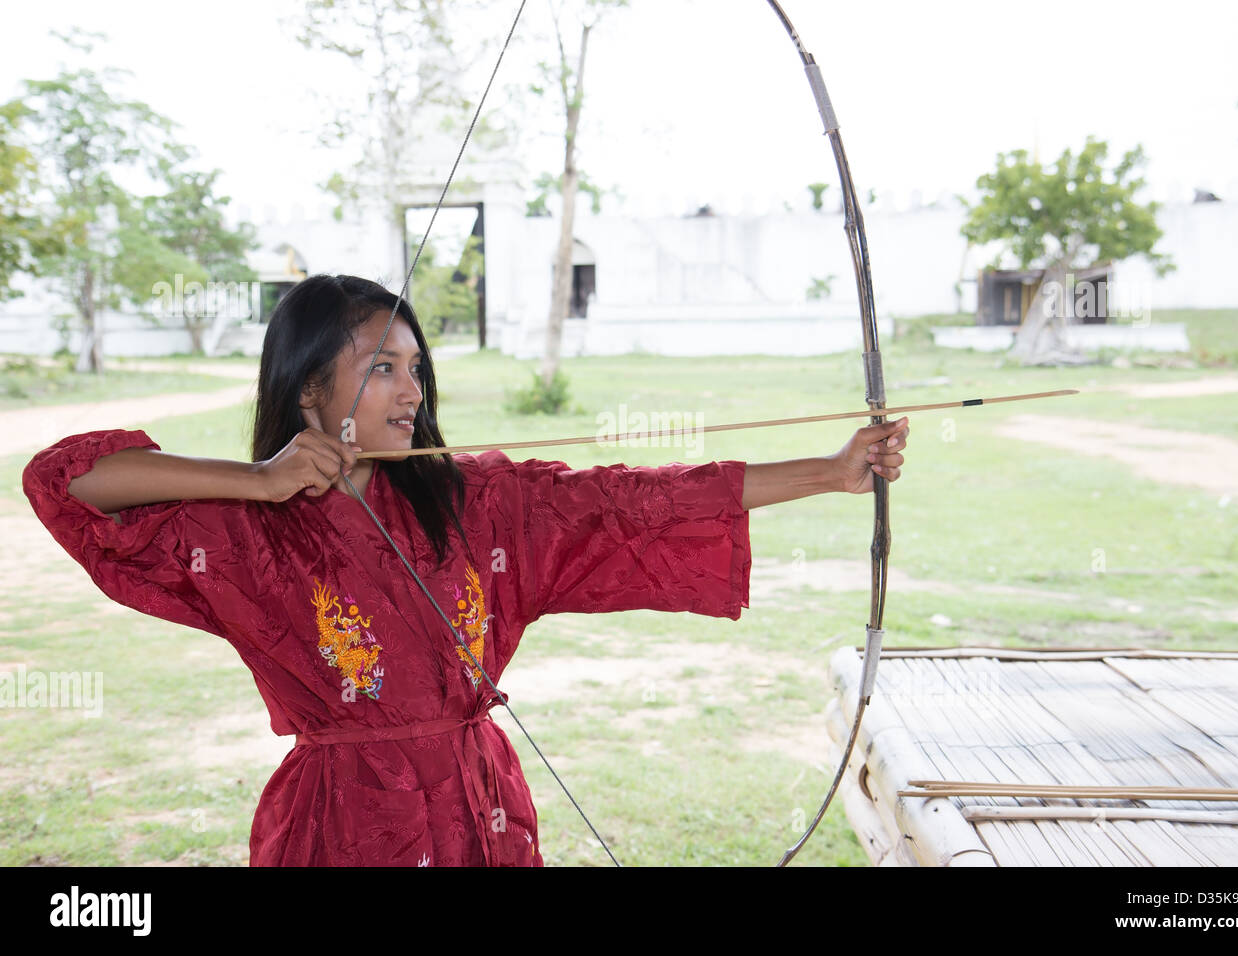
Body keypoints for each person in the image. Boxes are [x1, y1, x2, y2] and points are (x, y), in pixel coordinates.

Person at [22, 273, 909, 866]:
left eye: (415, 368)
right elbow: (64, 479)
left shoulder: (476, 500)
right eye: (379, 369)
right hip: (343, 822)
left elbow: (633, 500)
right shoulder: (251, 530)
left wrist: (831, 474)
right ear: (306, 392)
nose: (410, 391)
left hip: (476, 811)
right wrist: (258, 481)